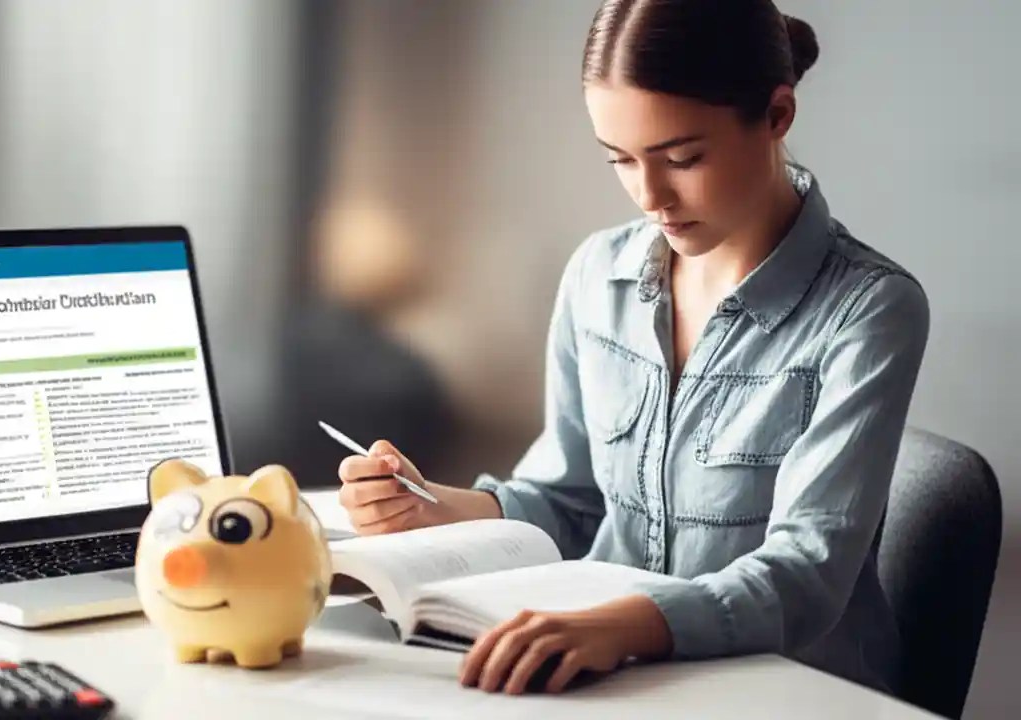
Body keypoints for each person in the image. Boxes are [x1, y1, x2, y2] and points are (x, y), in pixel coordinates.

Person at [335, 0, 929, 698]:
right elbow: (570, 501)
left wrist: (624, 624)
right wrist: (435, 505)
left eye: (683, 158)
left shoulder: (869, 308)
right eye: (620, 159)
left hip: (787, 693)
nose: (652, 196)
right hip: (618, 678)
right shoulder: (598, 277)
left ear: (777, 115)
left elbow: (805, 574)